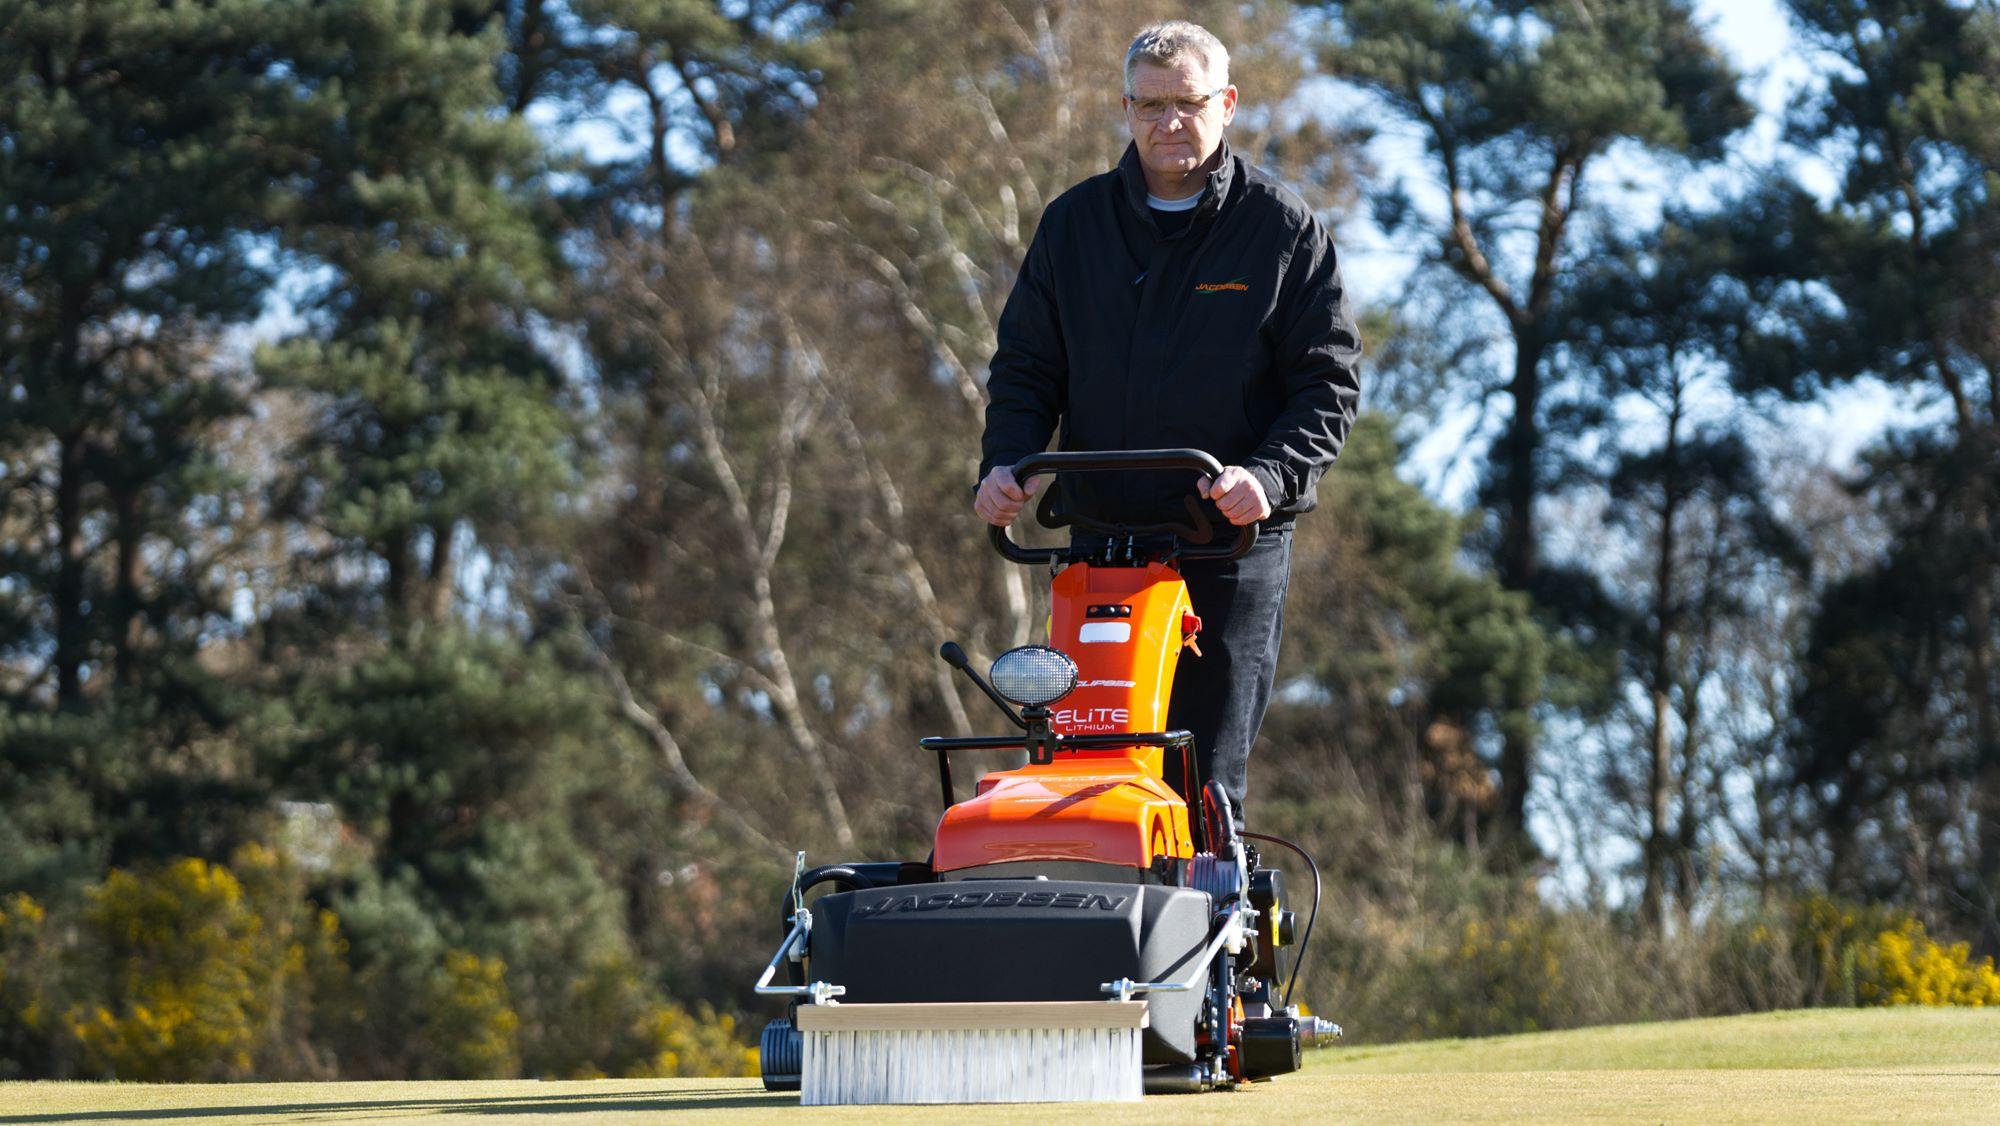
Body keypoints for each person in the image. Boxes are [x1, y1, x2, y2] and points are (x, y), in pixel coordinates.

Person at [973, 20, 1362, 825]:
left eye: (1186, 103)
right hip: (1100, 538)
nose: (1168, 123)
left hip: (1225, 540)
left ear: (1225, 103)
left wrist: (1273, 474)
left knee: (1203, 779)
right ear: (1125, 109)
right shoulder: (1074, 227)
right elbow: (1025, 367)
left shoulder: (1279, 230)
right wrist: (1007, 461)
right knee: (1085, 766)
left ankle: (1213, 936)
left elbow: (1328, 383)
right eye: (1150, 105)